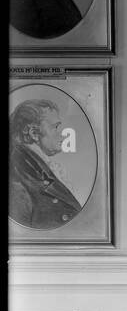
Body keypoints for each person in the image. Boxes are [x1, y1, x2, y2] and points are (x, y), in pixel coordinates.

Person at [9, 98, 82, 229]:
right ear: (34, 133)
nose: (62, 135)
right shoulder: (18, 178)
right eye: (55, 127)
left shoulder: (35, 169)